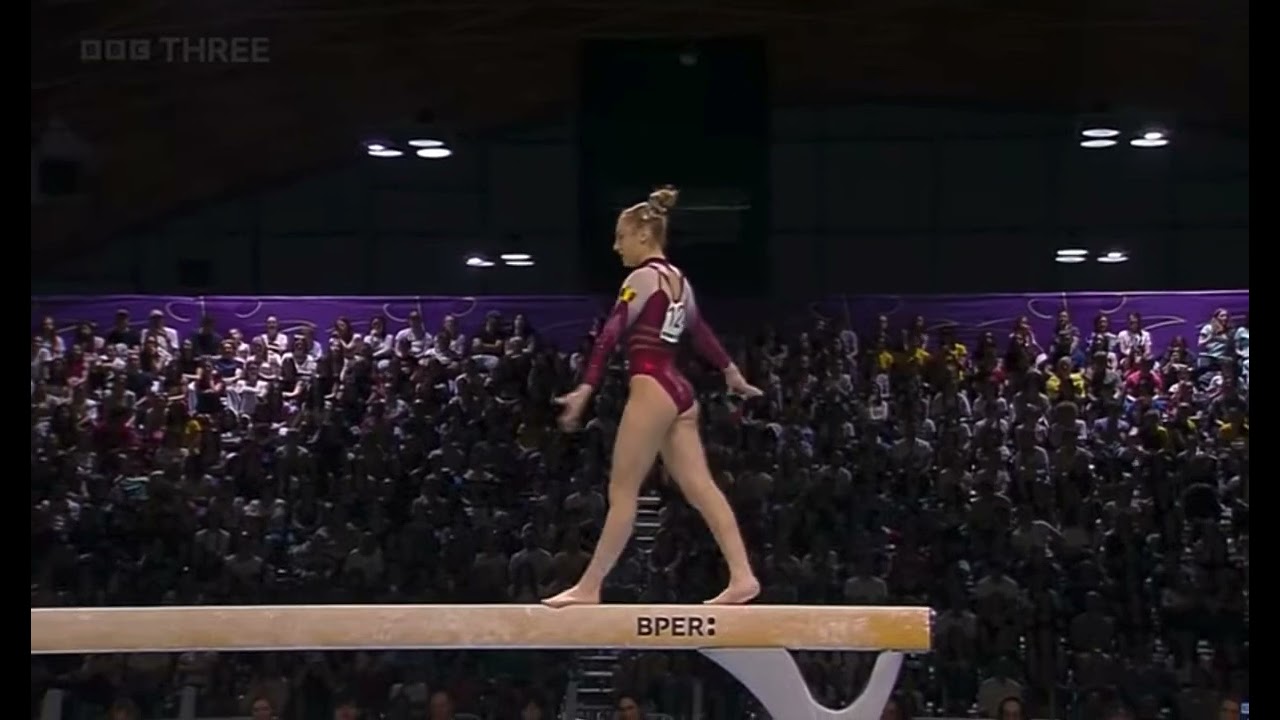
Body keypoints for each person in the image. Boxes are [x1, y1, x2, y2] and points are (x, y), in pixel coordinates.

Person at [544, 185, 761, 607]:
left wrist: (584, 390)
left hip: (651, 387)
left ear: (643, 236)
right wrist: (731, 374)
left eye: (621, 236)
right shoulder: (679, 280)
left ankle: (589, 588)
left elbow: (609, 336)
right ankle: (742, 576)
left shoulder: (641, 278)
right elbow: (699, 332)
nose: (615, 245)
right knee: (702, 488)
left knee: (623, 493)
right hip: (680, 391)